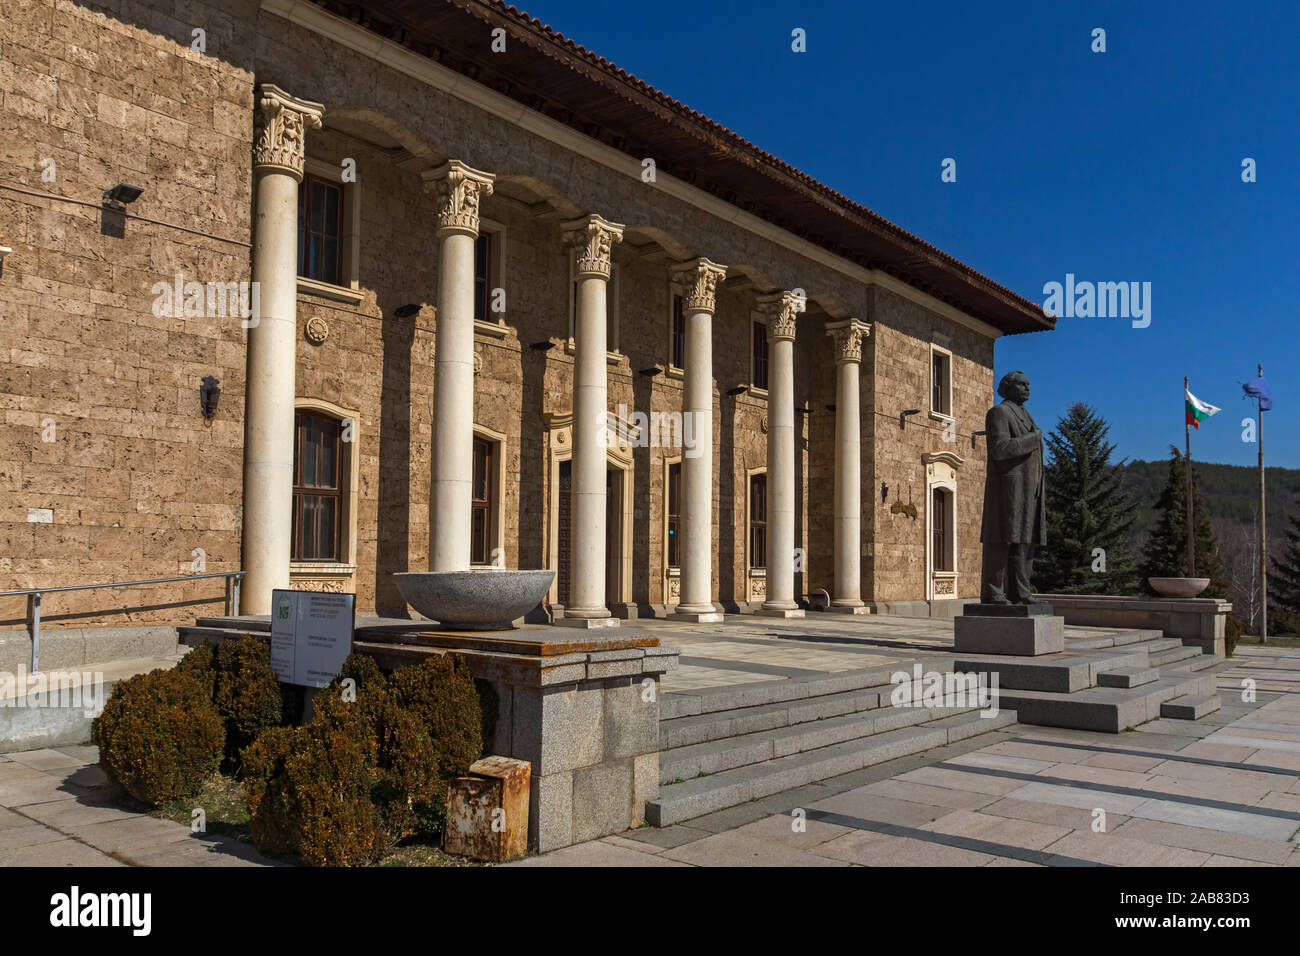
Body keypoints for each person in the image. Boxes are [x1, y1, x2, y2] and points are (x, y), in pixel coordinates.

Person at [980, 370, 1046, 604]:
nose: (1027, 388)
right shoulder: (999, 413)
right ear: (1008, 387)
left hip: (1029, 491)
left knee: (1024, 541)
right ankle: (993, 592)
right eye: (1022, 385)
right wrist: (1033, 439)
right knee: (1000, 540)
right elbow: (1000, 449)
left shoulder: (1026, 416)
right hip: (1007, 489)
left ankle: (1021, 591)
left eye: (1028, 385)